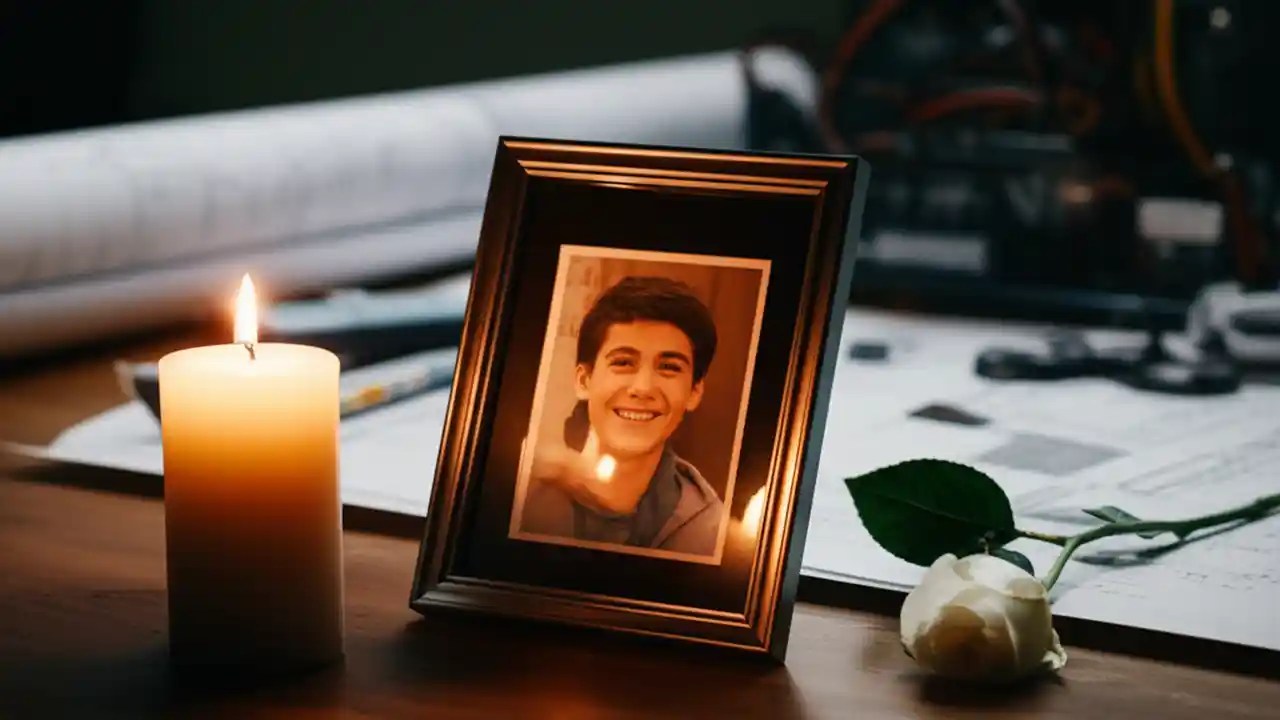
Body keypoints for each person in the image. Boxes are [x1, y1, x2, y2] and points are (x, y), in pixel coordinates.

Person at [519, 275, 724, 556]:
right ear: (584, 380)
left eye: (669, 367)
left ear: (694, 392)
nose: (642, 388)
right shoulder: (519, 492)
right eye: (624, 362)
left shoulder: (710, 534)